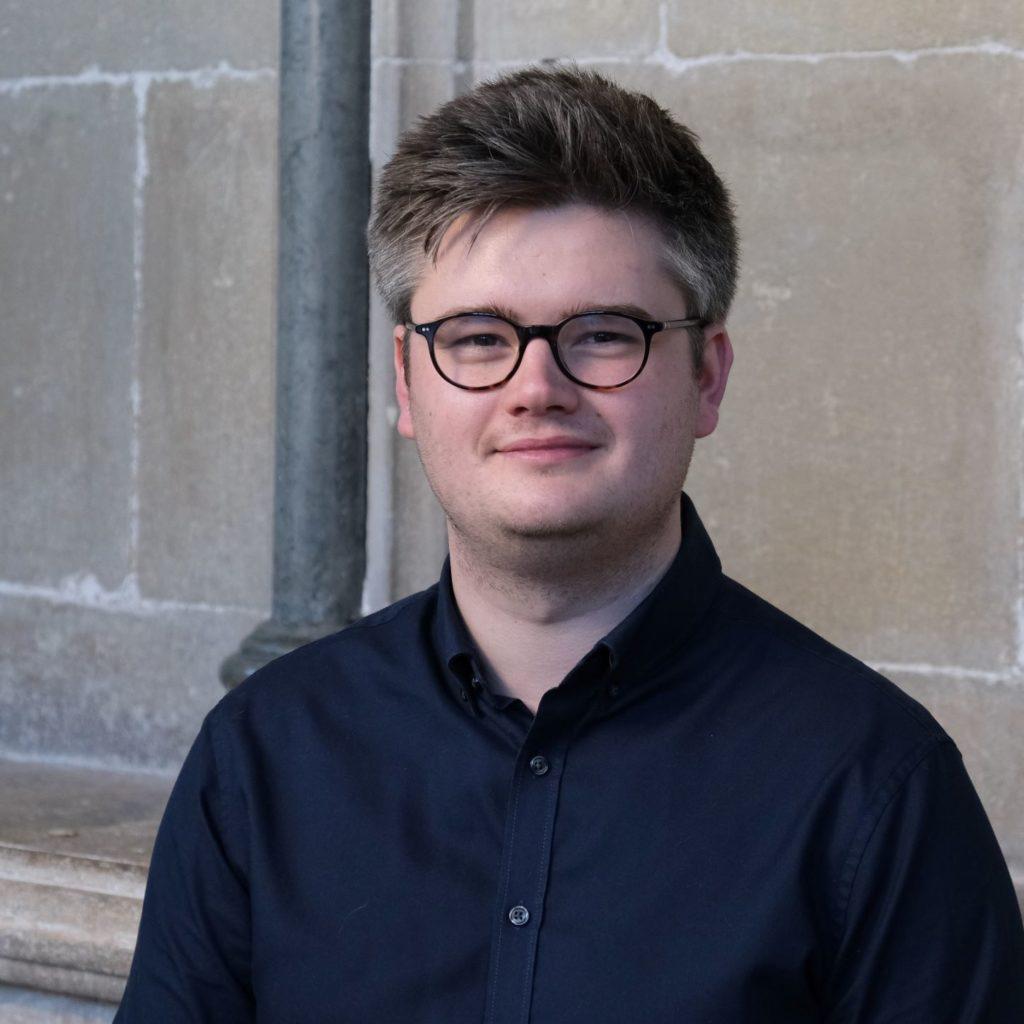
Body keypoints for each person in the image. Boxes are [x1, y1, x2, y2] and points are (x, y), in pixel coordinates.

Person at [115, 65, 1024, 1022]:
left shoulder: (875, 786)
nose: (535, 387)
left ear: (706, 378)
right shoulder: (263, 758)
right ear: (406, 382)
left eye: (601, 333)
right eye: (475, 337)